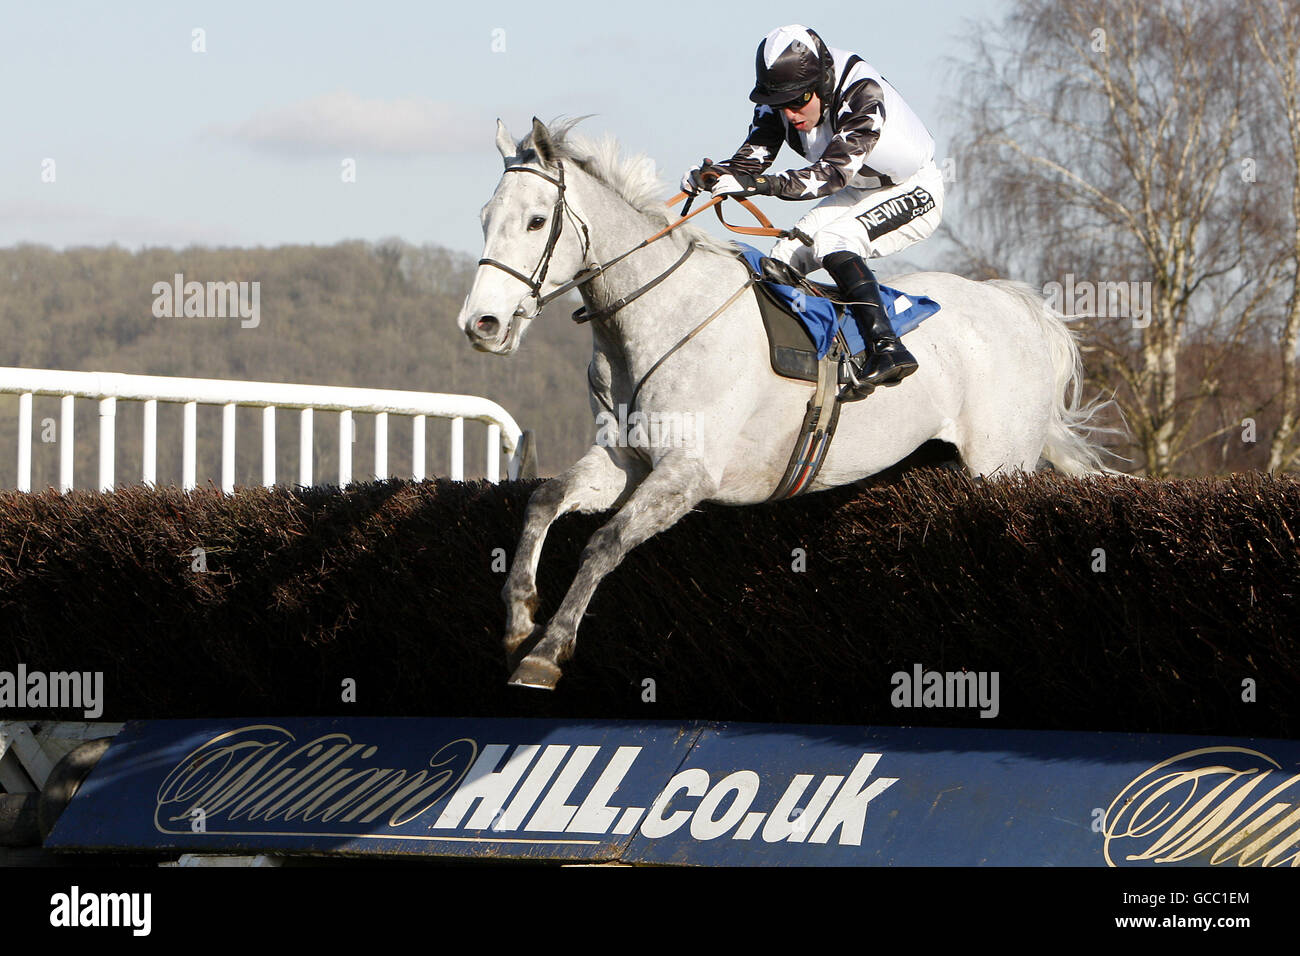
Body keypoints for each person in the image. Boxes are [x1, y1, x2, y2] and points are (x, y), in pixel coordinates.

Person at [681, 24, 944, 398]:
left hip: (915, 187)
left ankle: (887, 347)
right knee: (784, 257)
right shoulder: (782, 102)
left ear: (821, 85)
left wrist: (762, 186)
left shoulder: (863, 94)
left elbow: (829, 175)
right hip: (858, 189)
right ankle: (822, 363)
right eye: (780, 105)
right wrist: (709, 174)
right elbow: (751, 160)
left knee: (835, 239)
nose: (789, 115)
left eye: (798, 102)